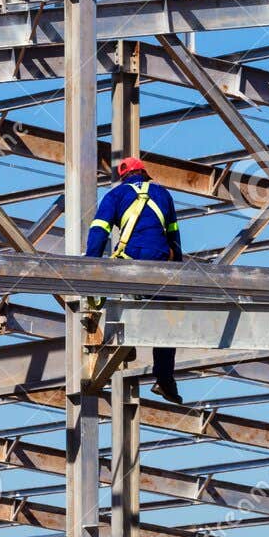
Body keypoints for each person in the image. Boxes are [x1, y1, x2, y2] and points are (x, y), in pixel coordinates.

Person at [86, 156, 183, 403]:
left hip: (129, 263)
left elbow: (100, 230)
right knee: (165, 322)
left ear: (123, 177)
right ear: (144, 173)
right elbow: (174, 234)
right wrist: (176, 264)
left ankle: (125, 346)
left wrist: (90, 264)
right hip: (160, 264)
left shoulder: (116, 196)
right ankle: (165, 379)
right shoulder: (163, 194)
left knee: (121, 302)